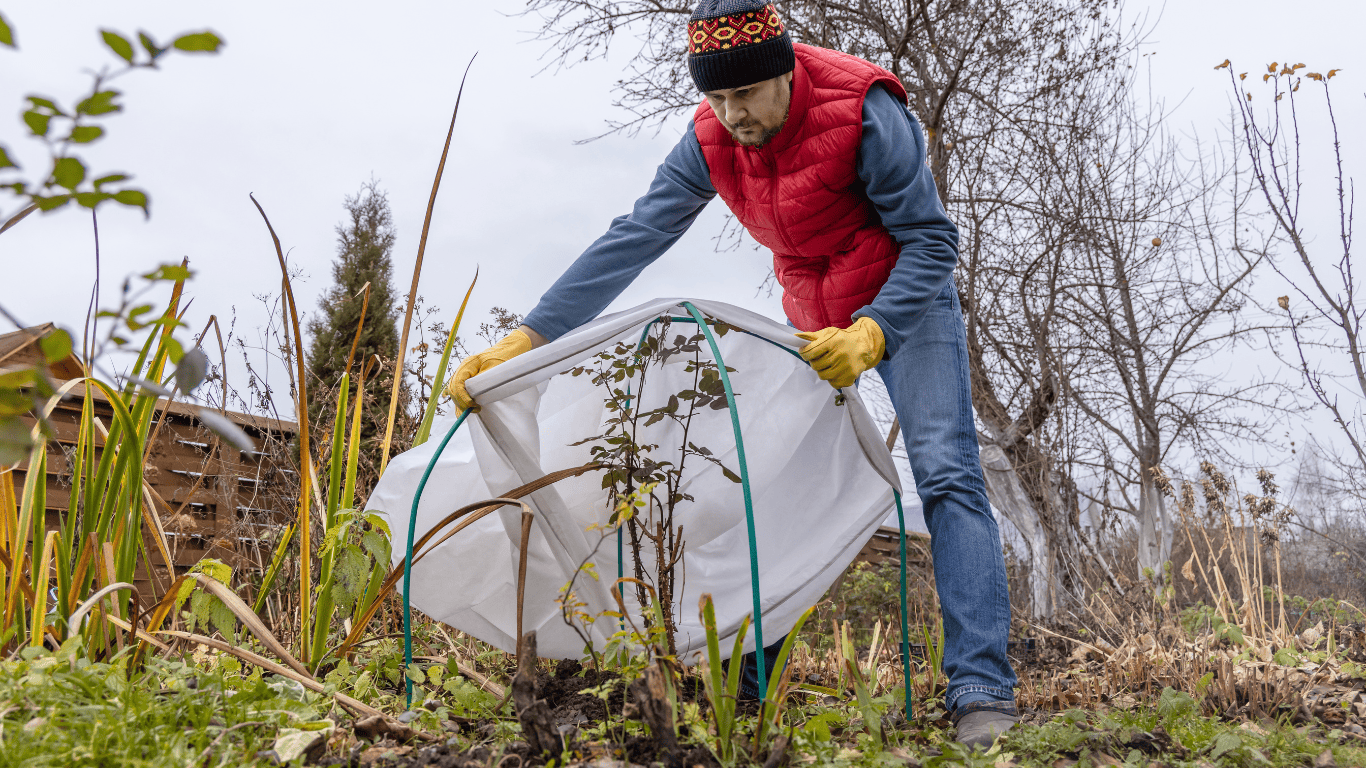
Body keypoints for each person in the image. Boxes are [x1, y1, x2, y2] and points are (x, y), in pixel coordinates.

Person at [446, 0, 1019, 748]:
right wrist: (530, 335)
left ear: (785, 71)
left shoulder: (864, 110)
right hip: (814, 314)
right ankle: (750, 681)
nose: (732, 113)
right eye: (715, 97)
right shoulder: (711, 136)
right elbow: (637, 233)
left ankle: (981, 689)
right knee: (782, 487)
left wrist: (875, 330)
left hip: (905, 304)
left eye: (744, 93)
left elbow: (932, 240)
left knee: (945, 473)